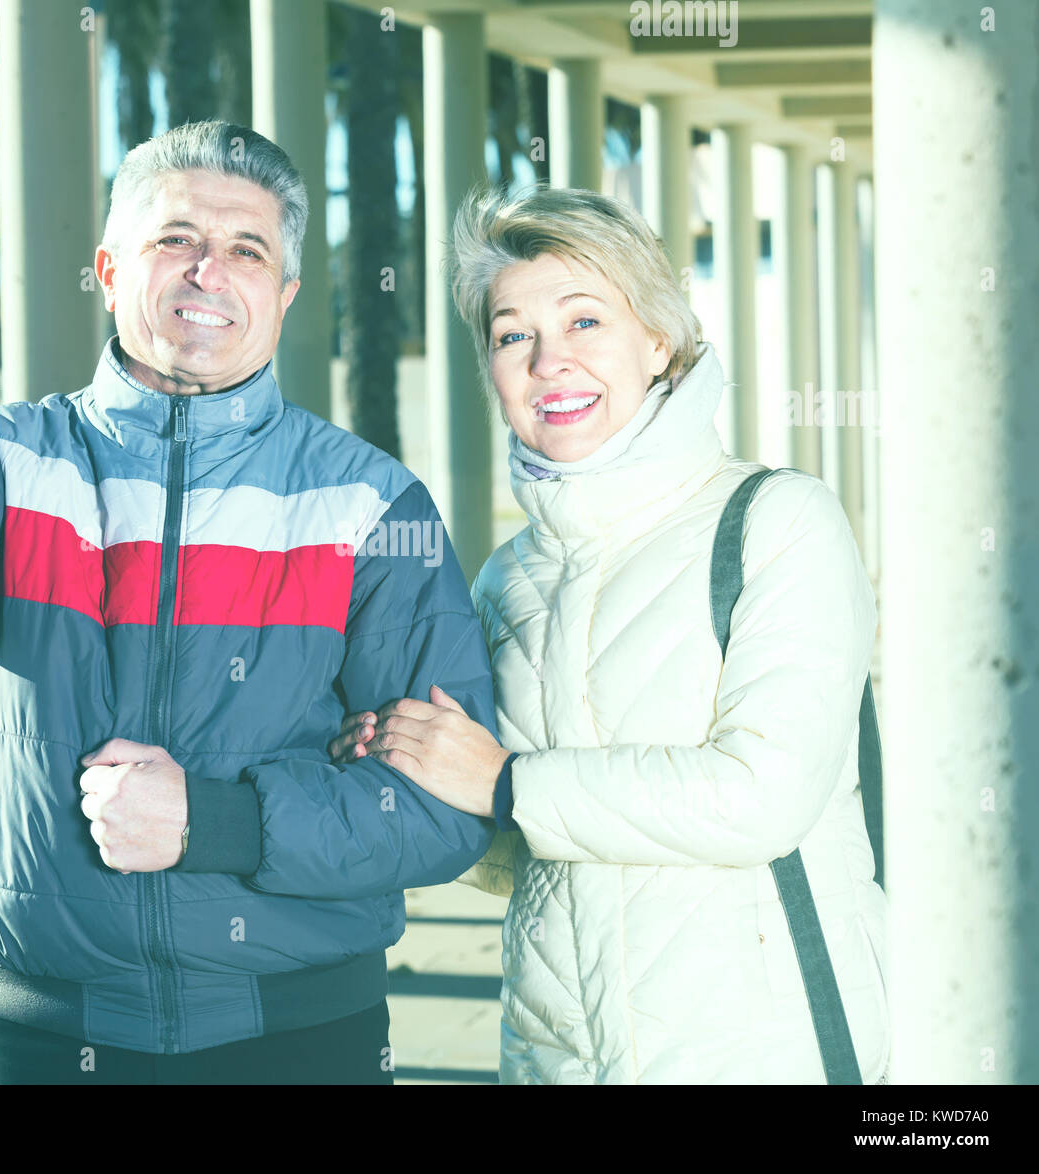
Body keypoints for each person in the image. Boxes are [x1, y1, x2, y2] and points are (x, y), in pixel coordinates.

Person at [0, 120, 497, 1085]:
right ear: (110, 270)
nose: (210, 271)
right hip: (43, 1031)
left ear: (282, 297)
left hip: (299, 1032)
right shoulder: (1, 458)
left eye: (248, 250)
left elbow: (443, 809)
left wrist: (214, 823)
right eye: (177, 240)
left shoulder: (372, 505)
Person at [331, 183, 890, 1084]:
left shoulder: (778, 521)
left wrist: (504, 779)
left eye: (585, 321)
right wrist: (422, 775)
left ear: (658, 340)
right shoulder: (505, 579)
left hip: (761, 1054)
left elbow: (762, 797)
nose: (550, 360)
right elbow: (523, 852)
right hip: (556, 1058)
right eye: (515, 335)